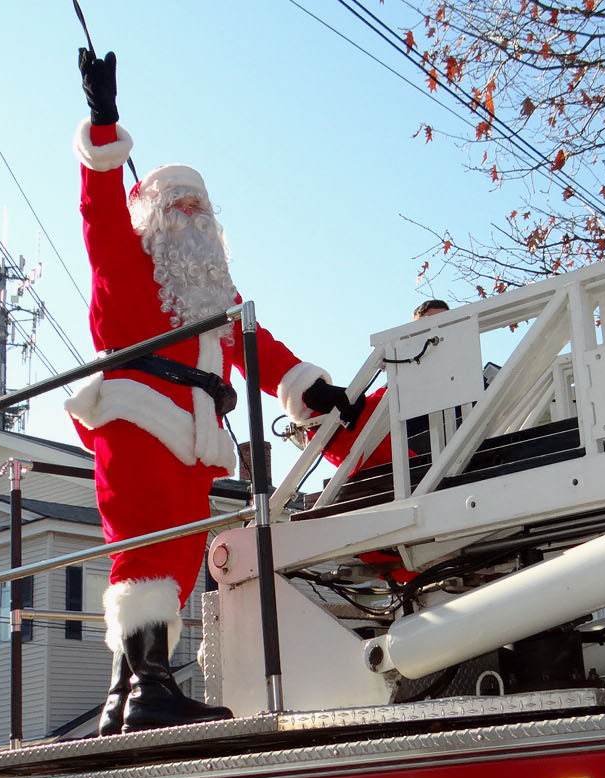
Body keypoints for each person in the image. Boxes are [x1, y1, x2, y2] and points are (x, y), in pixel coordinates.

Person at [66, 50, 360, 735]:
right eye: (176, 203)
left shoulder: (212, 295)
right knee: (143, 548)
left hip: (196, 437)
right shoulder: (125, 265)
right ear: (151, 215)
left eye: (198, 204)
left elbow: (263, 352)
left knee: (172, 558)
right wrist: (103, 124)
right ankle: (148, 689)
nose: (190, 214)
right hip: (137, 419)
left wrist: (311, 391)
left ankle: (128, 695)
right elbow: (98, 209)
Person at [316, 300, 450, 472]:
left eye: (443, 324)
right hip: (413, 468)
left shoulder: (478, 385)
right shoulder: (393, 393)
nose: (435, 334)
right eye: (427, 327)